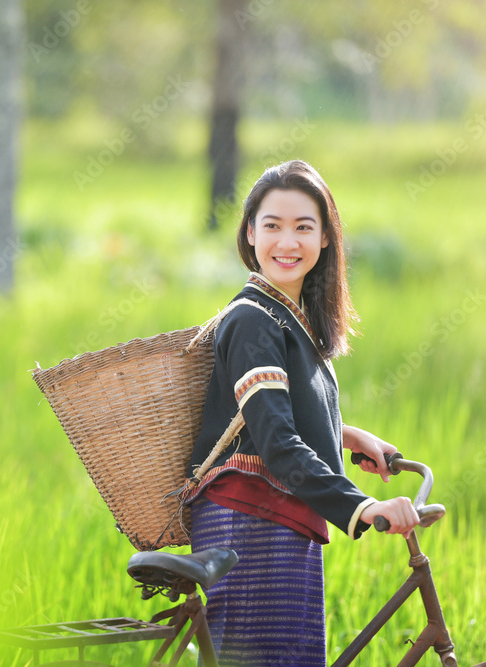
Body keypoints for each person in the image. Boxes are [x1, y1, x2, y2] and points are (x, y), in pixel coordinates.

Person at [183, 159, 420, 666]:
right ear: (250, 233)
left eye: (303, 228)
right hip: (248, 526)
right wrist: (363, 506)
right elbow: (277, 444)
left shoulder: (290, 318)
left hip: (275, 518)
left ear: (326, 238)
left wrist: (346, 435)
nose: (287, 242)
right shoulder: (253, 320)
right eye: (272, 226)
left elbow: (272, 416)